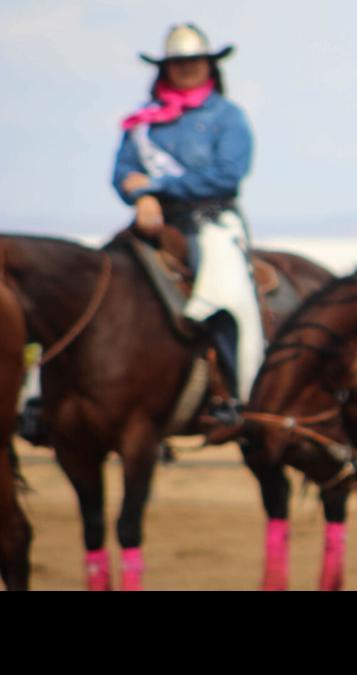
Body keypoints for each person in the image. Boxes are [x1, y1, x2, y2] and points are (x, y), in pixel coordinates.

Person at [100, 24, 258, 428]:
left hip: (210, 223)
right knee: (99, 285)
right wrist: (140, 198)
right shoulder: (142, 123)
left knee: (225, 298)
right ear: (165, 68)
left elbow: (227, 175)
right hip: (152, 222)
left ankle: (235, 397)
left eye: (193, 61)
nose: (186, 68)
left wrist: (154, 188)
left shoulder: (227, 116)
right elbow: (123, 172)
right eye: (178, 62)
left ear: (209, 65)